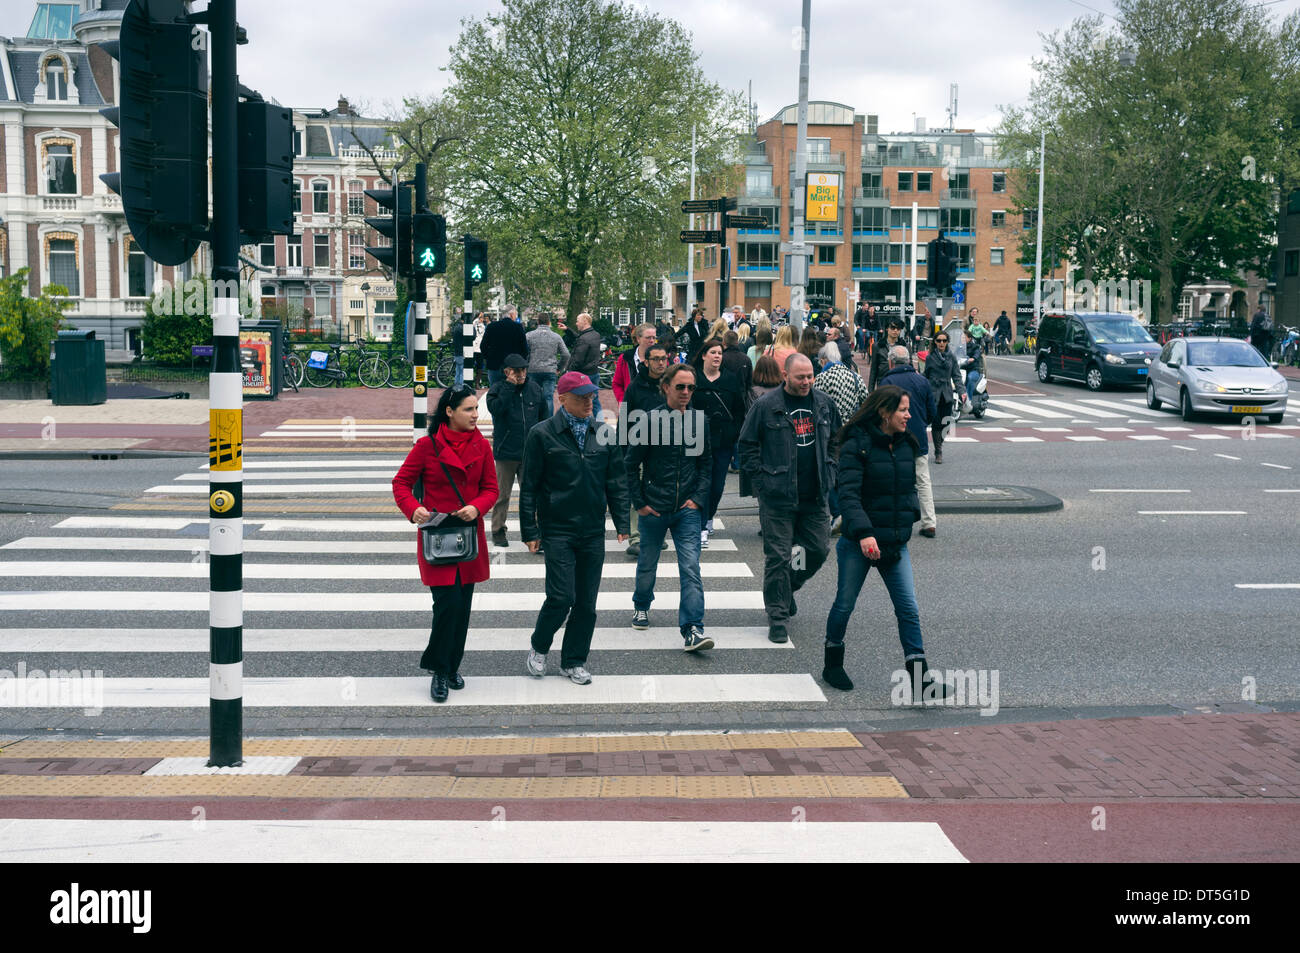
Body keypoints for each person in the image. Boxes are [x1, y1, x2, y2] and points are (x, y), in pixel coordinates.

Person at [822, 385, 952, 699]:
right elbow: (848, 496)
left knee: (908, 607)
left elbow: (909, 490)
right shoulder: (857, 445)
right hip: (859, 543)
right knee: (845, 604)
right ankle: (832, 662)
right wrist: (865, 533)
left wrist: (909, 517)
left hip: (894, 543)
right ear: (885, 412)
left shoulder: (907, 444)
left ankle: (921, 680)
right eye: (903, 410)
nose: (910, 416)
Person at [519, 372, 630, 684]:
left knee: (586, 602)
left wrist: (622, 522)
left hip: (592, 529)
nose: (588, 401)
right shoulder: (542, 434)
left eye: (591, 395)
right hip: (558, 528)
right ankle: (540, 646)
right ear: (562, 398)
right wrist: (530, 531)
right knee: (560, 596)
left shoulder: (603, 432)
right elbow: (529, 486)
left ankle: (574, 660)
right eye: (581, 396)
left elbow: (617, 481)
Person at [392, 386, 499, 702]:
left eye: (475, 409)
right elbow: (401, 483)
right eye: (468, 409)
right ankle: (439, 670)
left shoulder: (482, 445)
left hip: (468, 535)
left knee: (463, 606)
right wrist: (414, 510)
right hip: (437, 535)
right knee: (447, 605)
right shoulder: (427, 446)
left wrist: (477, 506)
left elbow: (491, 488)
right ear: (449, 412)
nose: (475, 415)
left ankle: (452, 666)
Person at [739, 354, 841, 643]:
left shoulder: (823, 403)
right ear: (785, 375)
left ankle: (787, 589)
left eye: (810, 376)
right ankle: (777, 616)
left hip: (815, 495)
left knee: (819, 549)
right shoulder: (766, 406)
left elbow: (836, 439)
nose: (807, 381)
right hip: (778, 497)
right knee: (778, 558)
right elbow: (747, 446)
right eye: (800, 377)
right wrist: (762, 484)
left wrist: (831, 471)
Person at [626, 364, 713, 650]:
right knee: (647, 563)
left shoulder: (699, 422)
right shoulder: (649, 421)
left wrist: (698, 499)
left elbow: (705, 465)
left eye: (691, 387)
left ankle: (693, 628)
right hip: (655, 507)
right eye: (680, 387)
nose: (686, 392)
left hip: (687, 509)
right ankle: (641, 604)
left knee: (690, 567)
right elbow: (629, 465)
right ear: (665, 388)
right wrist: (640, 504)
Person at [485, 354, 547, 548]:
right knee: (502, 494)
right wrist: (509, 387)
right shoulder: (496, 390)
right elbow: (496, 409)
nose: (521, 374)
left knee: (533, 494)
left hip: (530, 451)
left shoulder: (535, 389)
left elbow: (544, 417)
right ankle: (498, 530)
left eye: (524, 369)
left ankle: (535, 533)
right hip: (506, 450)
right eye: (517, 370)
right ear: (507, 372)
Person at [692, 338, 748, 549]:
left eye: (720, 353)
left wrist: (735, 436)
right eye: (713, 352)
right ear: (704, 355)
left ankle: (708, 516)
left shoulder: (730, 380)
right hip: (697, 439)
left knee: (717, 485)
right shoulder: (693, 378)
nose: (717, 356)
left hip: (723, 440)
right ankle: (701, 527)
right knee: (701, 483)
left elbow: (739, 410)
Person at [881, 345, 938, 539]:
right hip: (918, 438)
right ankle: (929, 522)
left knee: (893, 480)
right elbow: (933, 412)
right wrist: (921, 423)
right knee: (923, 480)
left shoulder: (887, 382)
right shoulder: (922, 381)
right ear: (909, 361)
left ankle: (894, 520)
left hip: (894, 439)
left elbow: (880, 413)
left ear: (891, 362)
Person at [923, 329, 962, 464]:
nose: (941, 343)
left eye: (944, 341)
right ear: (935, 342)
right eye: (939, 340)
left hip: (947, 393)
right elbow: (925, 375)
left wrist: (962, 391)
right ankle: (938, 451)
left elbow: (956, 375)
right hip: (934, 394)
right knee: (936, 424)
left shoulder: (951, 357)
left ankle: (940, 442)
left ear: (947, 342)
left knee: (947, 423)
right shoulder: (930, 357)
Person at [565, 311, 605, 419]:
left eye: (578, 321)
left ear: (585, 321)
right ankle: (600, 424)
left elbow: (578, 359)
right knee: (595, 400)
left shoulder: (584, 339)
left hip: (582, 375)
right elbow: (580, 338)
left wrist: (569, 372)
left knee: (576, 400)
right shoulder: (595, 335)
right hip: (594, 372)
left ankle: (577, 422)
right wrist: (567, 330)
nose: (576, 323)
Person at [526, 312, 569, 409]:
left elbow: (524, 352)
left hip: (533, 369)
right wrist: (559, 368)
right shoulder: (556, 337)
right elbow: (566, 354)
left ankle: (534, 421)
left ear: (538, 322)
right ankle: (548, 422)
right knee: (548, 398)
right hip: (550, 370)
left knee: (533, 398)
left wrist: (527, 365)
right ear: (549, 322)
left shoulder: (529, 336)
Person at [480, 311, 529, 387]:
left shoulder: (491, 326)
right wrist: (520, 363)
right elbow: (525, 349)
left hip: (494, 365)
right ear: (511, 314)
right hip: (513, 367)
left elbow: (483, 346)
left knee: (495, 392)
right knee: (513, 391)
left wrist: (489, 358)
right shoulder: (518, 327)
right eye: (515, 314)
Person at [612, 323, 657, 404]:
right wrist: (622, 401)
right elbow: (617, 384)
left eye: (654, 338)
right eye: (648, 338)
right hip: (630, 407)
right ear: (638, 339)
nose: (652, 341)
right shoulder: (625, 358)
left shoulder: (661, 358)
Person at [870, 319, 906, 391]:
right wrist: (870, 391)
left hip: (901, 384)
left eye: (898, 328)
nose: (895, 330)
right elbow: (873, 370)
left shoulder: (905, 346)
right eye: (892, 328)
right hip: (883, 384)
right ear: (887, 329)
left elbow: (910, 366)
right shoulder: (877, 346)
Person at [720, 329, 753, 396]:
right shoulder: (746, 359)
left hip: (724, 396)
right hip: (741, 396)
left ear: (723, 342)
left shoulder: (721, 358)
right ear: (737, 342)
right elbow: (749, 382)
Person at [961, 328, 986, 408]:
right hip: (961, 370)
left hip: (973, 370)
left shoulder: (974, 346)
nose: (962, 339)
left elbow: (977, 353)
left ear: (969, 338)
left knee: (970, 378)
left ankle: (969, 400)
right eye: (961, 337)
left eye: (964, 337)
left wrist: (973, 358)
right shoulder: (959, 348)